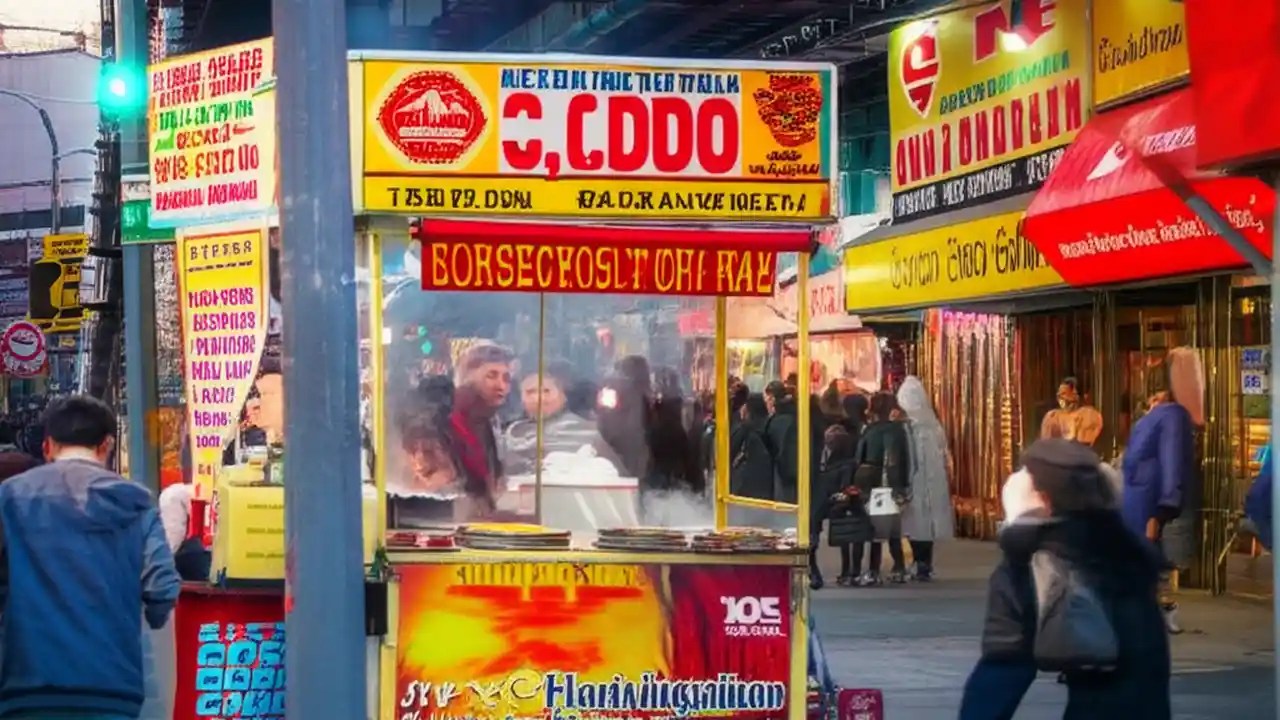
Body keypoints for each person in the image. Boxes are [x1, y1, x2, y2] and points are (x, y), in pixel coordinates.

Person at [959, 439, 1170, 720]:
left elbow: (1003, 664)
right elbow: (1148, 666)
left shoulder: (1027, 558)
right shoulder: (1128, 552)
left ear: (1042, 498)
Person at [0, 395, 181, 720]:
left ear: (47, 446)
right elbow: (162, 589)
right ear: (106, 445)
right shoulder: (136, 502)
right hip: (112, 690)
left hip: (25, 688)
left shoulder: (9, 498)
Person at [1121, 348, 1203, 633]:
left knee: (1147, 558)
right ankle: (1156, 609)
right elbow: (1170, 460)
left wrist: (1162, 507)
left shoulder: (1161, 418)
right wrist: (1164, 506)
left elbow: (1168, 460)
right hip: (1146, 499)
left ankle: (1154, 609)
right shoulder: (1168, 417)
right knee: (1149, 558)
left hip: (1142, 499)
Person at [504, 361, 619, 475]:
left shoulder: (589, 433)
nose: (539, 398)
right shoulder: (510, 436)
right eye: (530, 392)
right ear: (521, 399)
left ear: (563, 396)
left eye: (546, 391)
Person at [847, 391, 910, 585]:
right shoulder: (898, 431)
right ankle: (898, 566)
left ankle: (862, 570)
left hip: (867, 480)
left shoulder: (869, 430)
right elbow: (900, 460)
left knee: (868, 526)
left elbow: (859, 457)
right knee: (891, 527)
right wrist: (901, 486)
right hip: (888, 481)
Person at [897, 376, 954, 581]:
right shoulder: (934, 426)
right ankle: (925, 563)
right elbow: (944, 453)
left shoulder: (904, 428)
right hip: (932, 482)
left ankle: (917, 561)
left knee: (913, 520)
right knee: (927, 521)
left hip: (911, 480)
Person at [451, 342, 513, 519]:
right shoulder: (451, 416)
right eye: (491, 376)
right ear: (467, 376)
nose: (501, 386)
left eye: (506, 378)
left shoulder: (487, 418)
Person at [811, 424, 856, 589]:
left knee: (813, 534)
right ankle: (846, 571)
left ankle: (816, 571)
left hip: (826, 501)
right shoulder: (845, 462)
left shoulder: (837, 464)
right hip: (829, 501)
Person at [729, 392, 773, 501]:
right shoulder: (770, 425)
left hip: (745, 485)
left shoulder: (744, 429)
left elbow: (730, 452)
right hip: (767, 485)